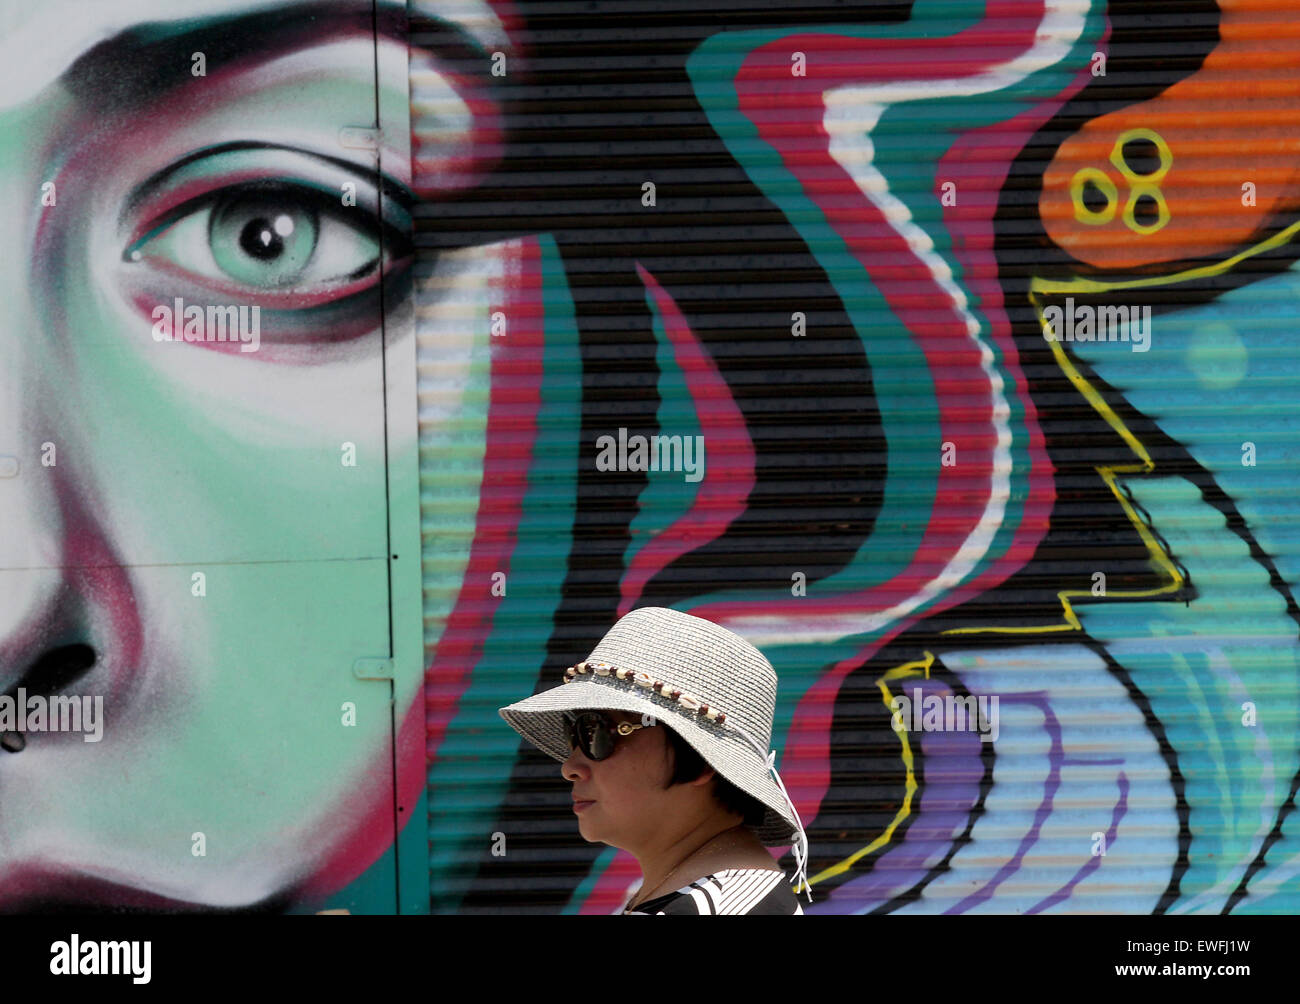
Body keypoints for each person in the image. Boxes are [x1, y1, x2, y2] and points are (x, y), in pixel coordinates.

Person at [499, 606, 811, 914]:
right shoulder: (734, 892)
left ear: (700, 761)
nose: (570, 768)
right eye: (574, 733)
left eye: (597, 734)